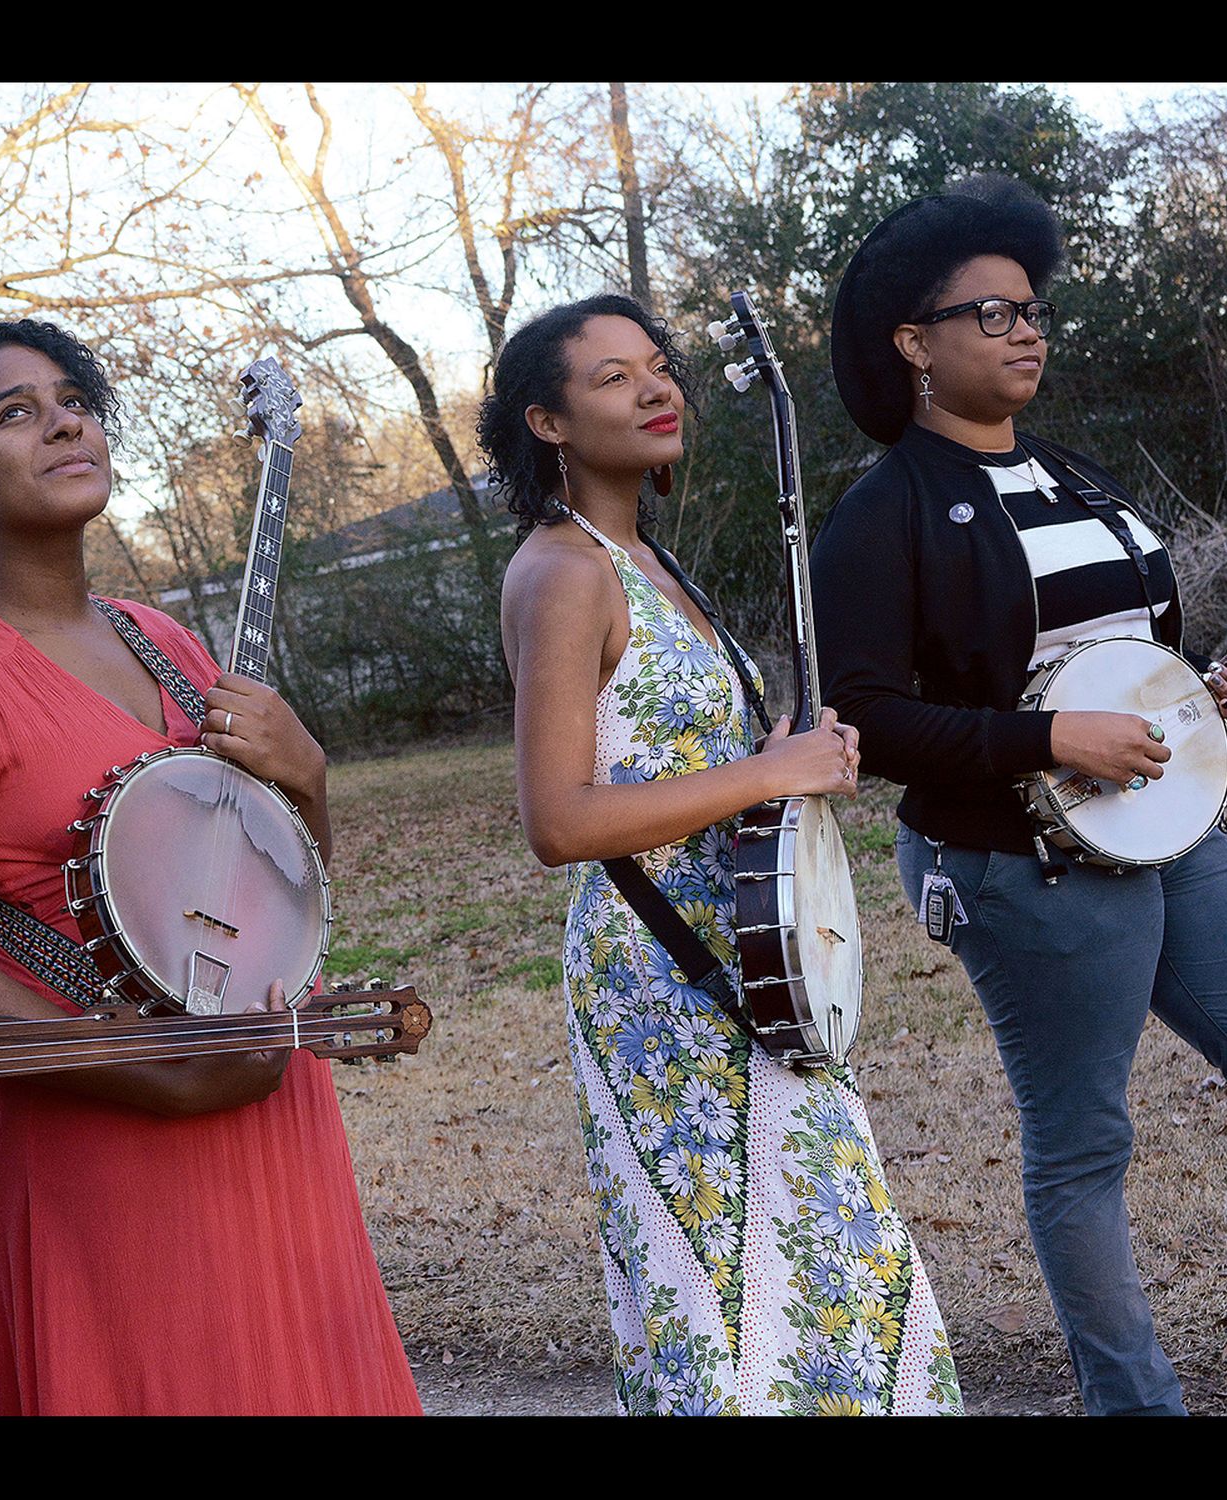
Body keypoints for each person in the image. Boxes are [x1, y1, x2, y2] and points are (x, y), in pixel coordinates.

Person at [0, 318, 422, 1415]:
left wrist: (309, 776)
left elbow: (277, 894)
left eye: (73, 400)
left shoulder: (171, 643)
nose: (62, 419)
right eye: (15, 412)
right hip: (104, 1147)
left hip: (268, 1108)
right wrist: (174, 1073)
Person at [811, 174, 1227, 1416]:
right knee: (1082, 1146)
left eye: (1031, 309)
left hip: (1171, 831)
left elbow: (1123, 647)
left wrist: (1198, 693)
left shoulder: (1075, 476)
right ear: (914, 343)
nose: (1024, 330)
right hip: (1021, 863)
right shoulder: (880, 515)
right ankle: (1134, 1403)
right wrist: (1054, 734)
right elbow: (865, 716)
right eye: (990, 311)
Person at [487, 295, 961, 1415]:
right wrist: (766, 774)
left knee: (829, 1271)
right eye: (613, 378)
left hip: (749, 959)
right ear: (545, 421)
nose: (657, 389)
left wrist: (792, 752)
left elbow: (687, 761)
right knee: (723, 1303)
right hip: (659, 980)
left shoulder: (646, 561)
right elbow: (556, 820)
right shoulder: (560, 572)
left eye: (659, 367)